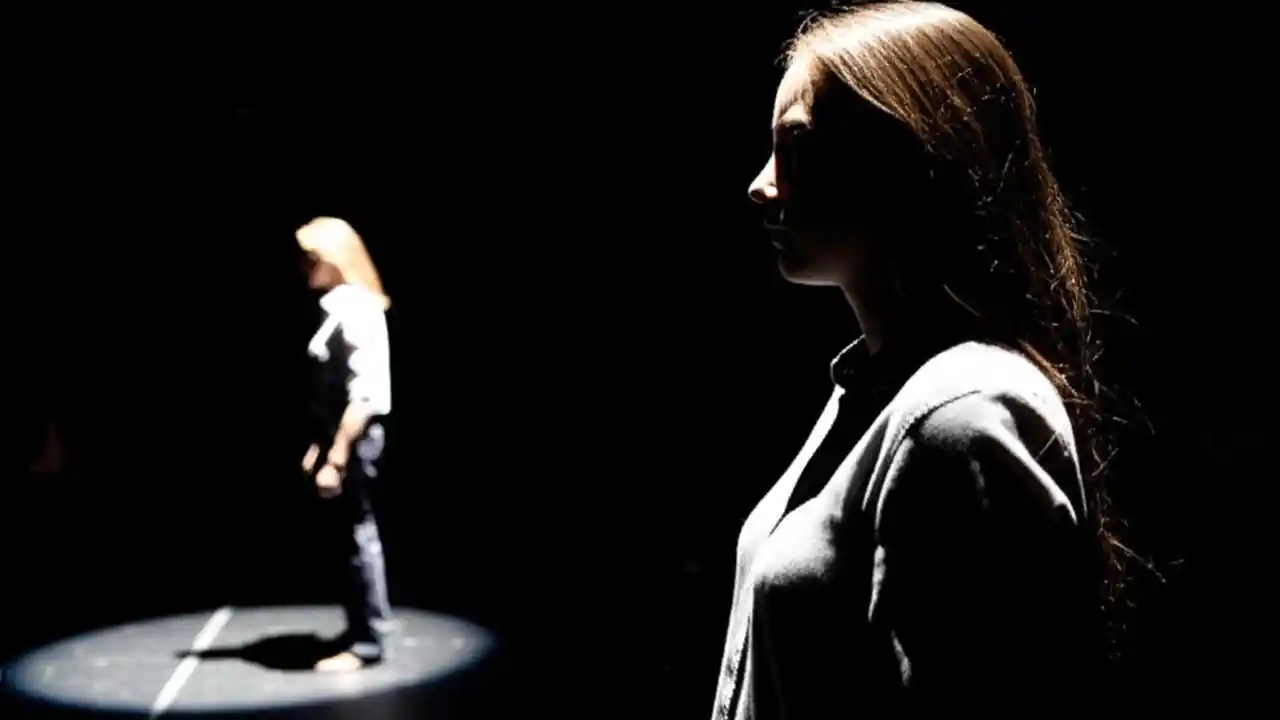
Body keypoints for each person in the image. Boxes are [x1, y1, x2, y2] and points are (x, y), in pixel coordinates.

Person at [712, 2, 1119, 714]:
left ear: (906, 152)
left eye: (797, 147)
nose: (761, 184)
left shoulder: (965, 411)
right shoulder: (875, 395)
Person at [297, 216, 394, 671]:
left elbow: (365, 394)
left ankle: (367, 640)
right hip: (340, 439)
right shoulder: (337, 306)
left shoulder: (357, 309)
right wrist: (320, 447)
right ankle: (360, 628)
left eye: (311, 257)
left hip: (354, 440)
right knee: (349, 536)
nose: (304, 266)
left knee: (359, 536)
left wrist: (336, 454)